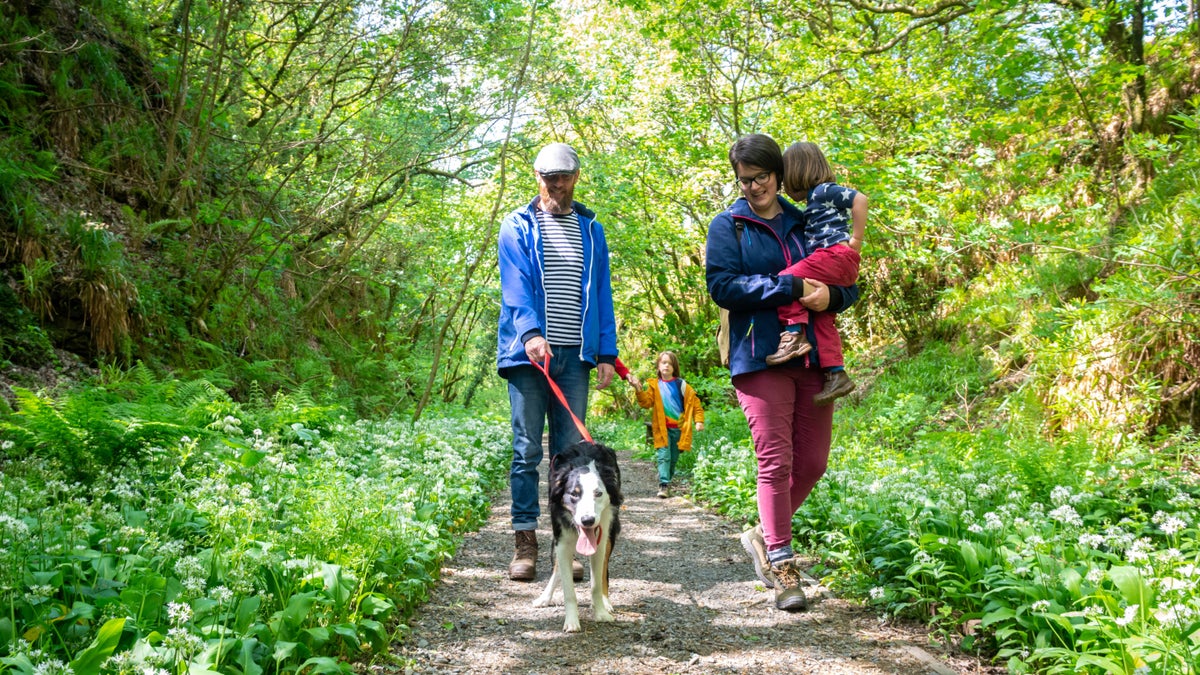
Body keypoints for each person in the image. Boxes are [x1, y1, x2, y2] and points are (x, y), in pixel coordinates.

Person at [705, 134, 860, 612]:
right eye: (744, 180)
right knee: (775, 462)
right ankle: (782, 564)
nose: (753, 187)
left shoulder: (804, 218)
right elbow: (722, 286)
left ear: (778, 174)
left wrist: (830, 297)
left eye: (761, 178)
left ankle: (762, 534)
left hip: (812, 357)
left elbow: (846, 279)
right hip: (758, 356)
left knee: (812, 463)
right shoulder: (729, 225)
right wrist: (787, 286)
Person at [496, 142, 619, 582]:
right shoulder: (517, 225)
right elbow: (515, 285)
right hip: (528, 356)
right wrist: (530, 333)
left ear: (575, 177)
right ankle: (524, 541)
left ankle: (563, 547)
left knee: (570, 459)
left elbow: (602, 292)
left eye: (563, 177)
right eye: (548, 178)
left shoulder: (592, 229)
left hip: (576, 357)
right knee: (527, 450)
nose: (556, 185)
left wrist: (607, 352)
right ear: (537, 177)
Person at [763, 141, 867, 406]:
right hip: (832, 262)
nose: (784, 185)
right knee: (822, 318)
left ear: (798, 171)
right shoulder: (813, 201)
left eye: (785, 177)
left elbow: (859, 199)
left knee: (786, 280)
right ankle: (836, 373)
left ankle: (794, 334)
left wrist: (856, 240)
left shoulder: (822, 191)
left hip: (835, 255)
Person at [631, 351, 706, 498]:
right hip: (662, 429)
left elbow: (695, 404)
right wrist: (638, 389)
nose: (666, 365)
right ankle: (663, 484)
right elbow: (646, 403)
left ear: (674, 367)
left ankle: (667, 480)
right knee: (664, 456)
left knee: (673, 459)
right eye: (664, 362)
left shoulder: (682, 385)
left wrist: (699, 421)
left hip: (679, 429)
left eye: (670, 363)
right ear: (658, 366)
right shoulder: (654, 386)